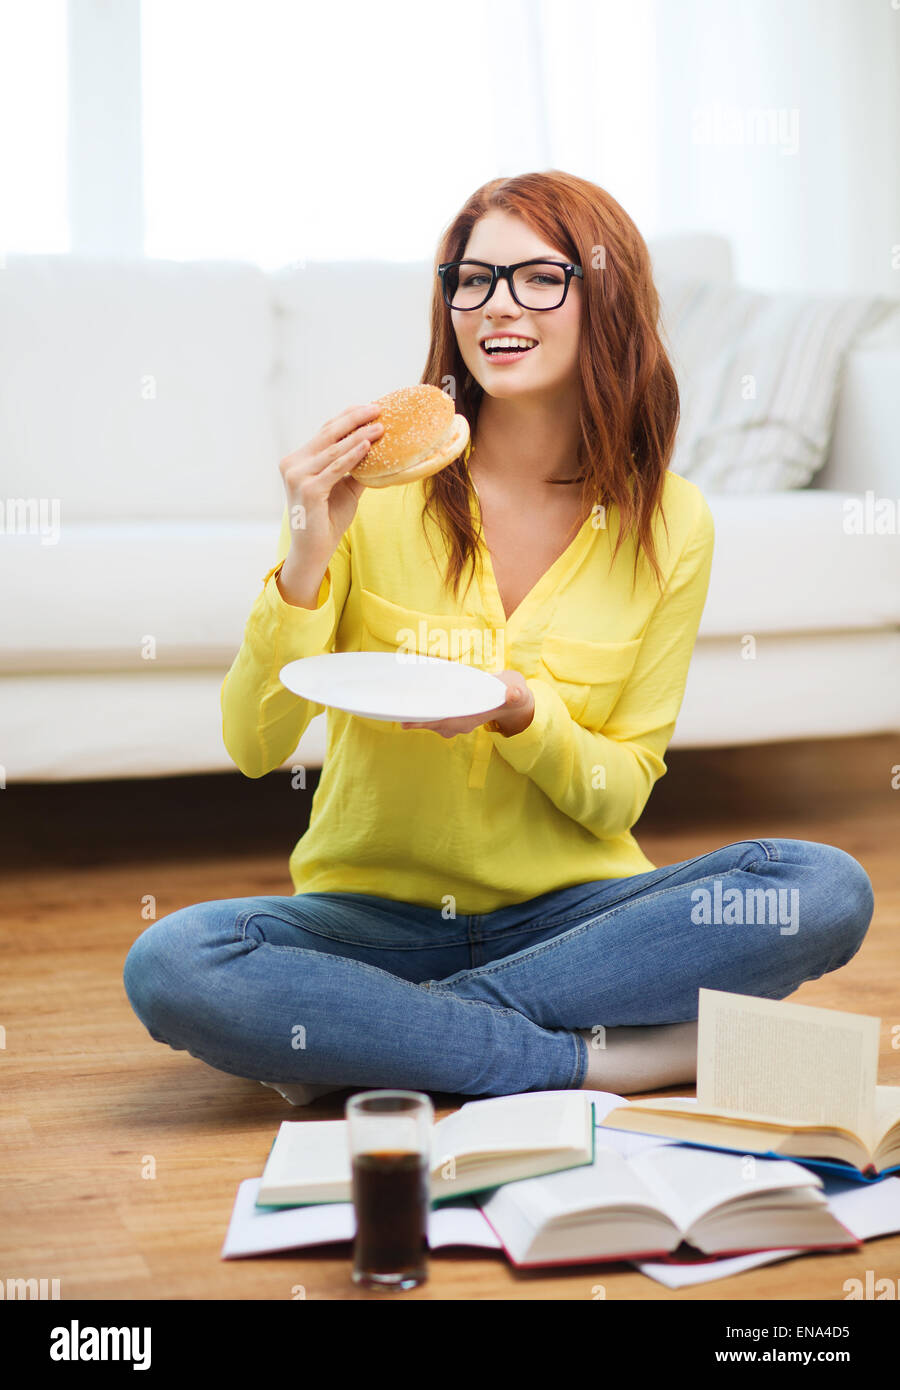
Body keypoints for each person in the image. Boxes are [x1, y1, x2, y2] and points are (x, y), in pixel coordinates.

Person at [123, 170, 874, 1105]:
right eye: (472, 280)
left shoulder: (673, 522)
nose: (495, 307)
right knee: (174, 962)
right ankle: (588, 1061)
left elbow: (617, 797)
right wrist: (310, 549)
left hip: (580, 921)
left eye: (537, 278)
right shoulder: (376, 491)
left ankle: (389, 1032)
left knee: (821, 887)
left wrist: (526, 718)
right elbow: (252, 744)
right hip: (372, 920)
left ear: (609, 299)